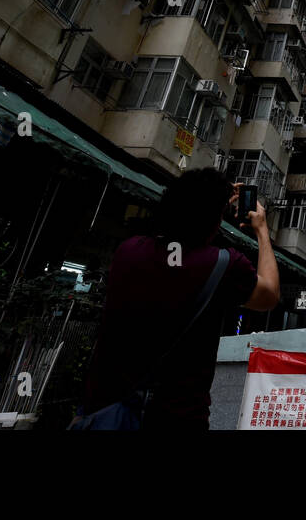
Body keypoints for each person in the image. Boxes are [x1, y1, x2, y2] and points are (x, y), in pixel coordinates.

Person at [81, 168, 280, 429]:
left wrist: (210, 194)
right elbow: (269, 295)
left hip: (105, 415)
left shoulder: (128, 252)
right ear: (215, 221)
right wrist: (262, 229)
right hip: (178, 418)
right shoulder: (224, 265)